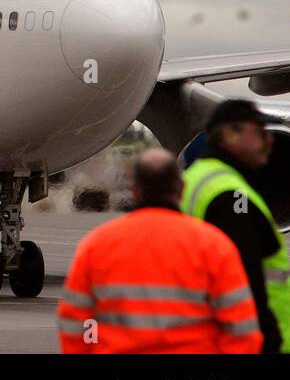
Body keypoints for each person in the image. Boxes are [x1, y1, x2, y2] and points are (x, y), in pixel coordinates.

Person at [58, 148, 262, 353]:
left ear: (135, 191)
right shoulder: (214, 245)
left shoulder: (97, 245)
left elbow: (75, 322)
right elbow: (241, 328)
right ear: (181, 188)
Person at [181, 99, 290, 353]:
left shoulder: (194, 178)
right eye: (260, 132)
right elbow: (244, 281)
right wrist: (268, 341)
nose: (269, 140)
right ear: (231, 134)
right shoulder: (229, 193)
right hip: (245, 341)